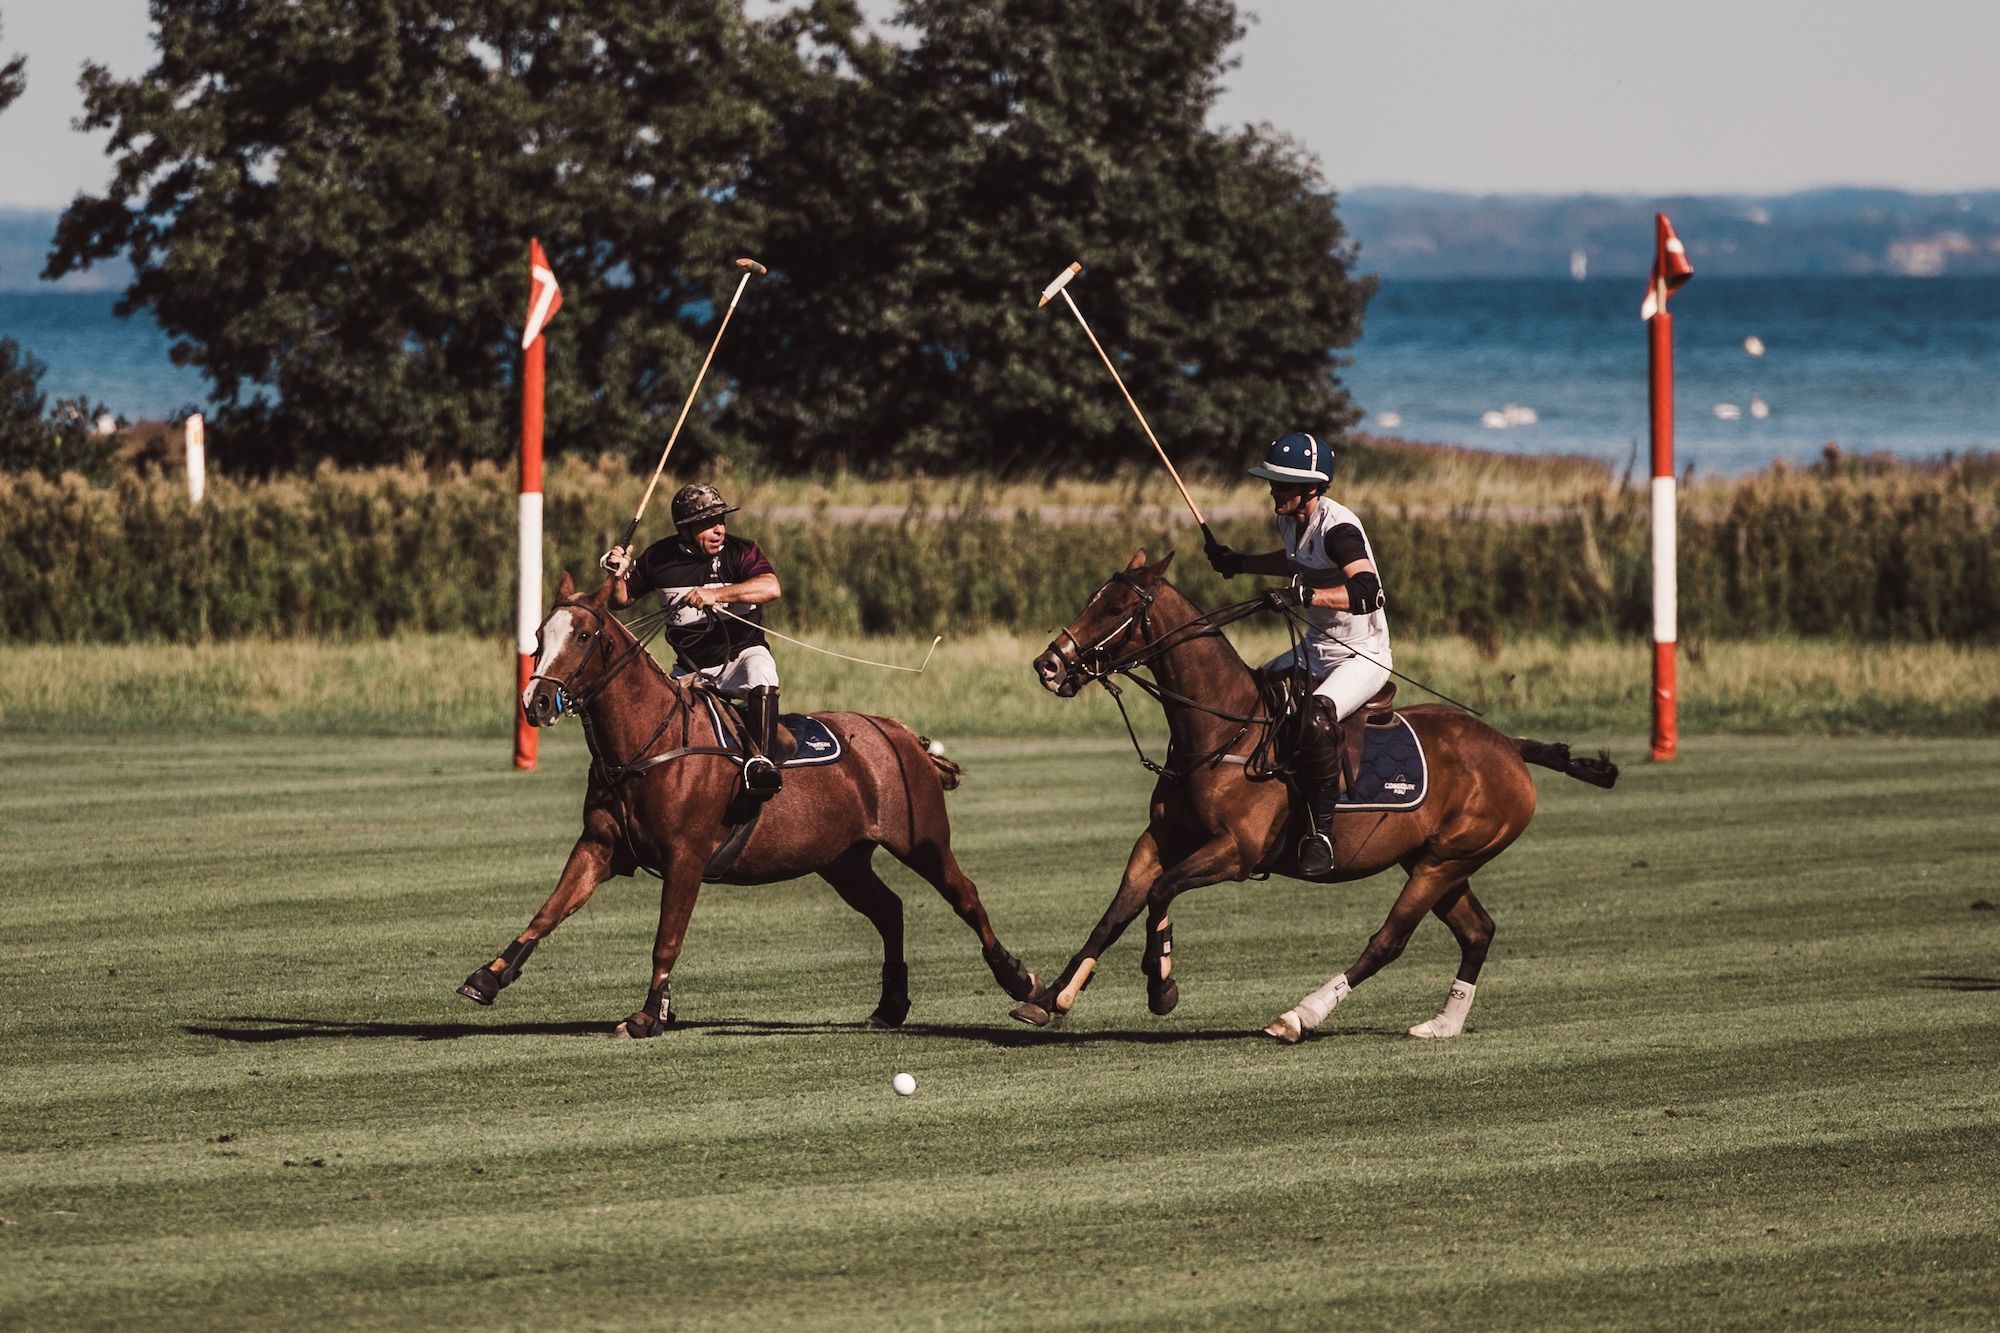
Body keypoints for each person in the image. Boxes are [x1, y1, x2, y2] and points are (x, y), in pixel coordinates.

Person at [1205, 432, 1390, 877]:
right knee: (1249, 693)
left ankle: (1320, 834)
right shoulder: (1289, 520)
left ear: (1312, 488)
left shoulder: (1339, 528)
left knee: (1315, 719)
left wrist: (1308, 596)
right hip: (1315, 650)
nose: (1273, 491)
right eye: (1272, 482)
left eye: (1282, 484)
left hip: (1360, 655)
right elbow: (1294, 561)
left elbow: (1368, 592)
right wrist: (1241, 563)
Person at [601, 482, 786, 794]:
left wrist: (716, 594)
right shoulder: (658, 558)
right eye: (707, 524)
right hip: (689, 669)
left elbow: (771, 587)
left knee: (763, 672)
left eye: (721, 521)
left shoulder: (742, 551)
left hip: (740, 657)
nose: (719, 530)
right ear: (684, 529)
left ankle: (761, 764)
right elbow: (620, 600)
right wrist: (617, 573)